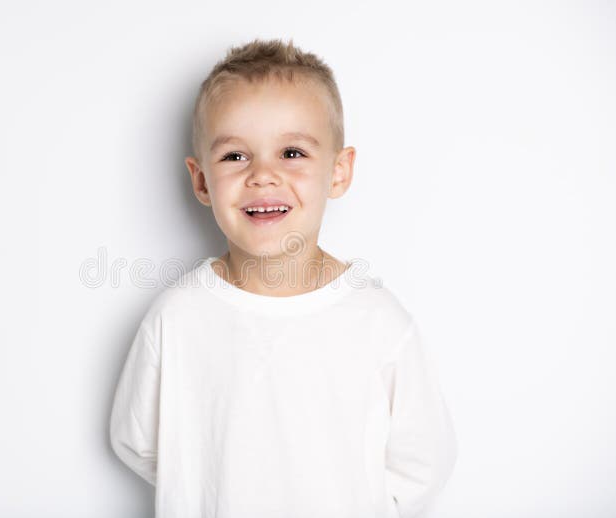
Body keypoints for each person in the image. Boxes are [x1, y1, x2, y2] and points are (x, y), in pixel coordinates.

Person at [109, 37, 457, 518]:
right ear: (201, 180)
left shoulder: (378, 322)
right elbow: (139, 441)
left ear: (338, 172)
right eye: (235, 156)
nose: (263, 175)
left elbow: (422, 464)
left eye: (292, 152)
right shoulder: (179, 317)